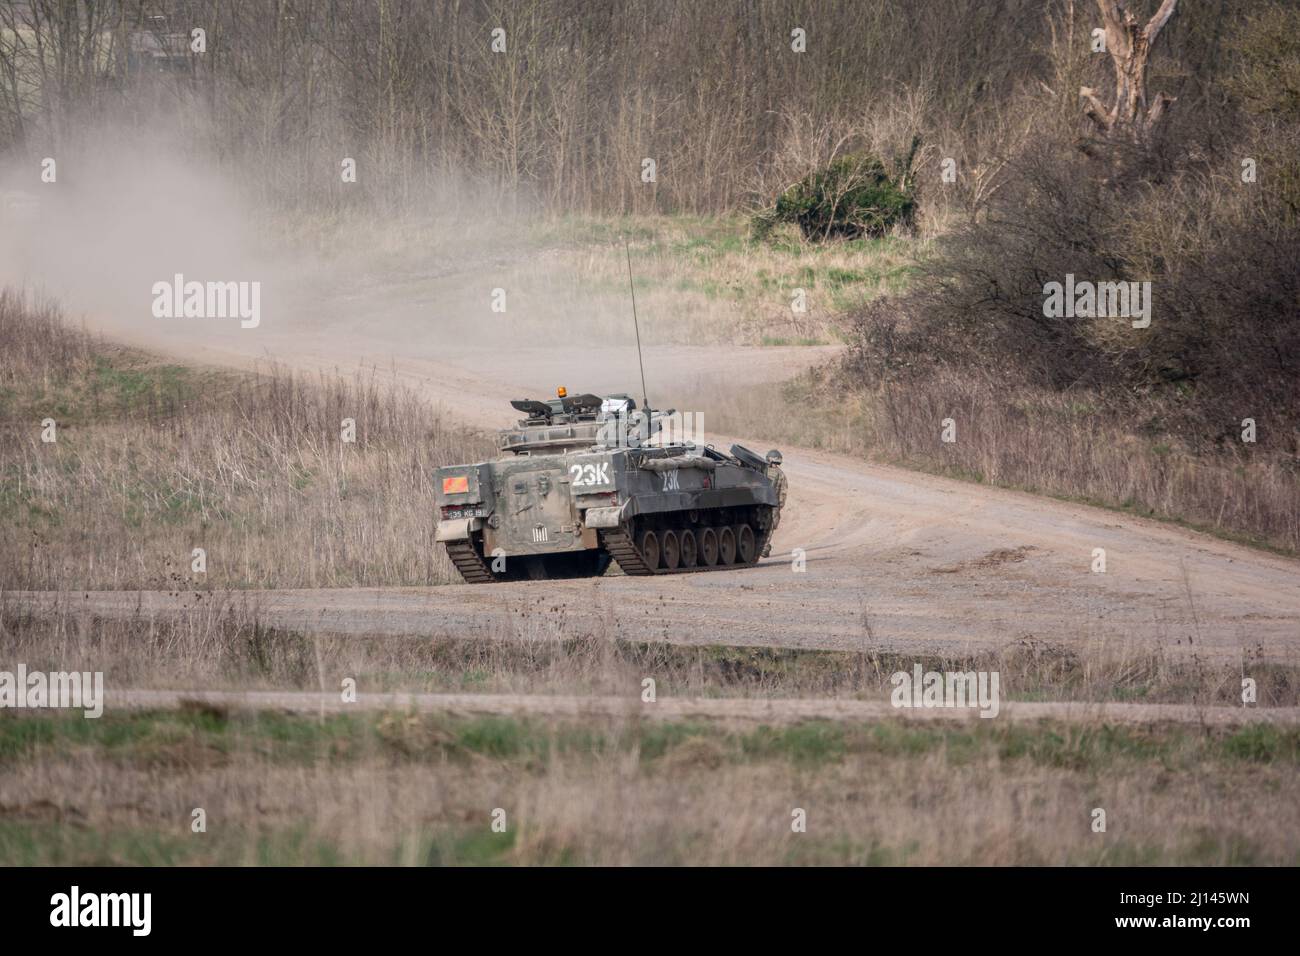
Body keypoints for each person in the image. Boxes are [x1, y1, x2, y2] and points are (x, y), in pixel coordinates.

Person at [761, 451, 787, 558]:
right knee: (770, 526)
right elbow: (783, 493)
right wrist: (779, 507)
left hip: (761, 502)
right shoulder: (781, 474)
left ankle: (763, 547)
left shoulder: (762, 470)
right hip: (772, 504)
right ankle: (764, 547)